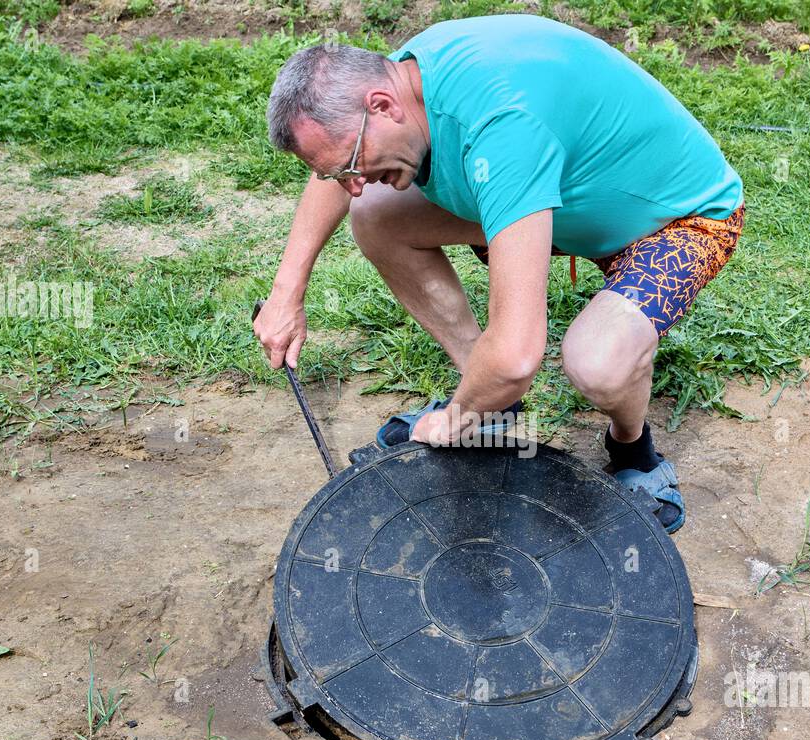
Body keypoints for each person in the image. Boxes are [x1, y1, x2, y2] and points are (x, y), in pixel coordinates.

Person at [256, 14, 744, 532]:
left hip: (671, 221)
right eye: (337, 174)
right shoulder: (403, 79)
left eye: (352, 165)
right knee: (377, 216)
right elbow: (341, 167)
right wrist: (286, 294)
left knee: (597, 362)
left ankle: (632, 449)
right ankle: (493, 408)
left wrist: (453, 419)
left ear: (382, 105)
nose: (352, 184)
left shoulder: (504, 125)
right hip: (566, 200)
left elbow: (516, 356)